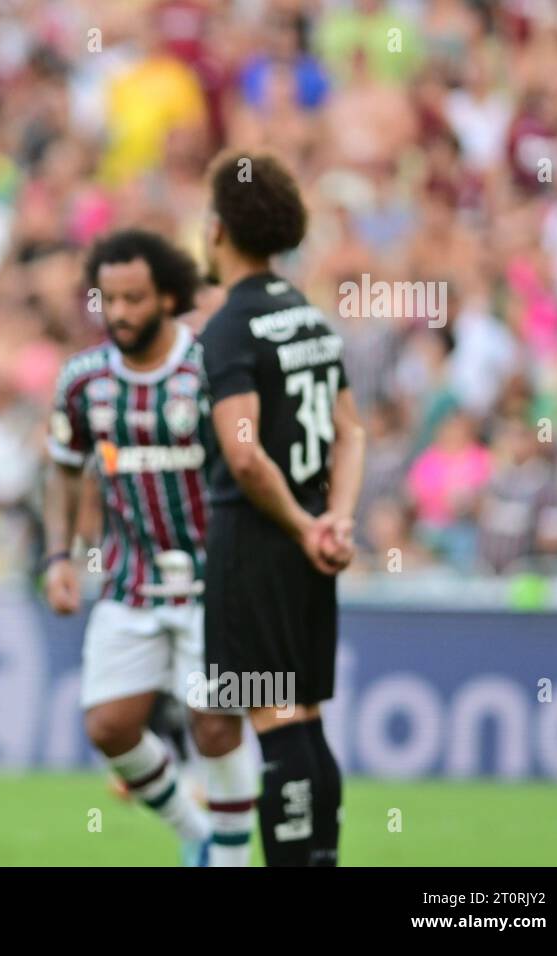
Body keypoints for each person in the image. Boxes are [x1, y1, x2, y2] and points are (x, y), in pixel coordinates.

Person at [44, 229, 258, 866]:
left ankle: (230, 857)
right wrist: (59, 556)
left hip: (213, 581)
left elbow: (252, 467)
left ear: (169, 298)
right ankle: (194, 828)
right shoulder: (84, 381)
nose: (121, 314)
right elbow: (62, 465)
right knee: (108, 726)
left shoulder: (212, 368)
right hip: (128, 580)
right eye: (109, 299)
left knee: (215, 723)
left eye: (135, 299)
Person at [199, 152, 366, 866]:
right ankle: (321, 857)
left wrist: (300, 526)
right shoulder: (311, 320)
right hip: (310, 545)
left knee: (274, 719)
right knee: (304, 716)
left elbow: (243, 455)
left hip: (259, 540)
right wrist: (337, 520)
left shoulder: (231, 327)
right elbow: (351, 430)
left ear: (217, 230)